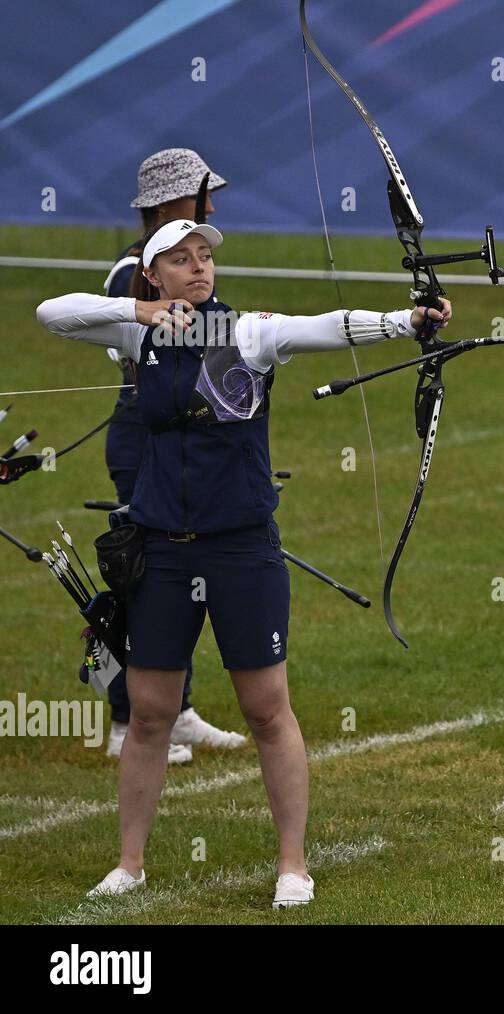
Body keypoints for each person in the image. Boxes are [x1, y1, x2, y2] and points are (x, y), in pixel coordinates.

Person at [35, 219, 452, 908]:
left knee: (265, 708)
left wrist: (407, 321)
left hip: (241, 549)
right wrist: (137, 312)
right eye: (180, 259)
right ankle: (129, 865)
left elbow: (329, 325)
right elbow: (54, 314)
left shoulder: (250, 333)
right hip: (162, 550)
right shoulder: (137, 334)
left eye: (204, 257)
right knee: (147, 712)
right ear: (153, 275)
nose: (198, 268)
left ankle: (293, 865)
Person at [103, 149, 246, 765]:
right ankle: (121, 716)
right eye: (199, 196)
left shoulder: (179, 269)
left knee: (180, 577)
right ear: (168, 205)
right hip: (143, 437)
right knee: (139, 574)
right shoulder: (131, 275)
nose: (210, 207)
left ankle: (176, 709)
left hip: (182, 436)